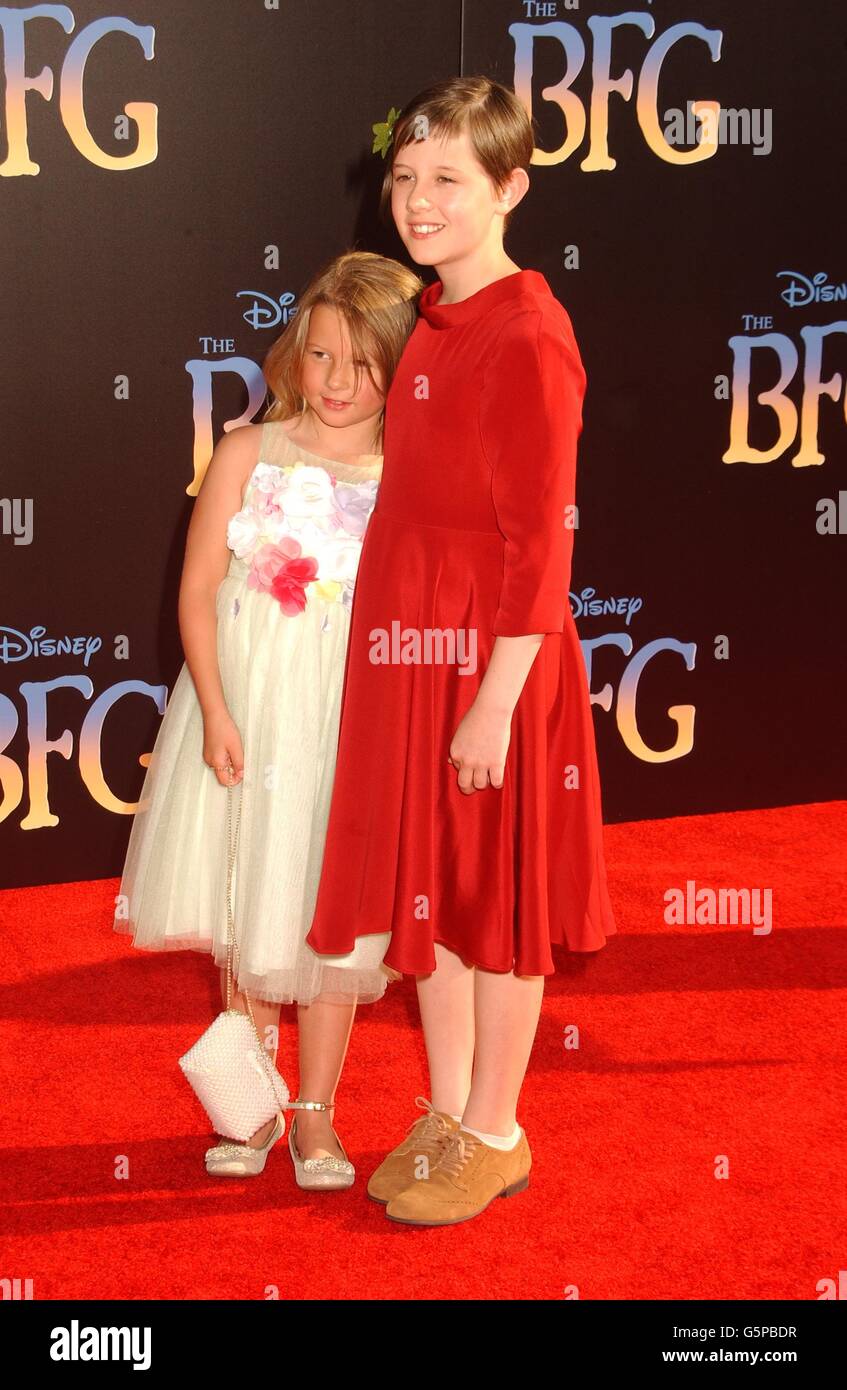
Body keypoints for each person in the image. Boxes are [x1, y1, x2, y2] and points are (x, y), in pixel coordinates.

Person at [305, 78, 618, 1224]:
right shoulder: (430, 314)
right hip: (416, 652)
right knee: (432, 895)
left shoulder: (529, 333)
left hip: (494, 664)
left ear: (509, 188)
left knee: (497, 903)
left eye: (446, 179)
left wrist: (493, 703)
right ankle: (444, 1111)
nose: (417, 200)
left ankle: (495, 1127)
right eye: (404, 178)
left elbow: (542, 544)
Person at [113, 250, 422, 1183]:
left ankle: (317, 1114)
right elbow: (198, 591)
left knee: (332, 917)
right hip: (247, 709)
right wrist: (214, 710)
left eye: (363, 363)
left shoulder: (409, 472)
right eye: (321, 355)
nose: (338, 381)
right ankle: (249, 1110)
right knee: (248, 900)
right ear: (296, 353)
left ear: (401, 367)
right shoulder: (248, 451)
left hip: (347, 725)